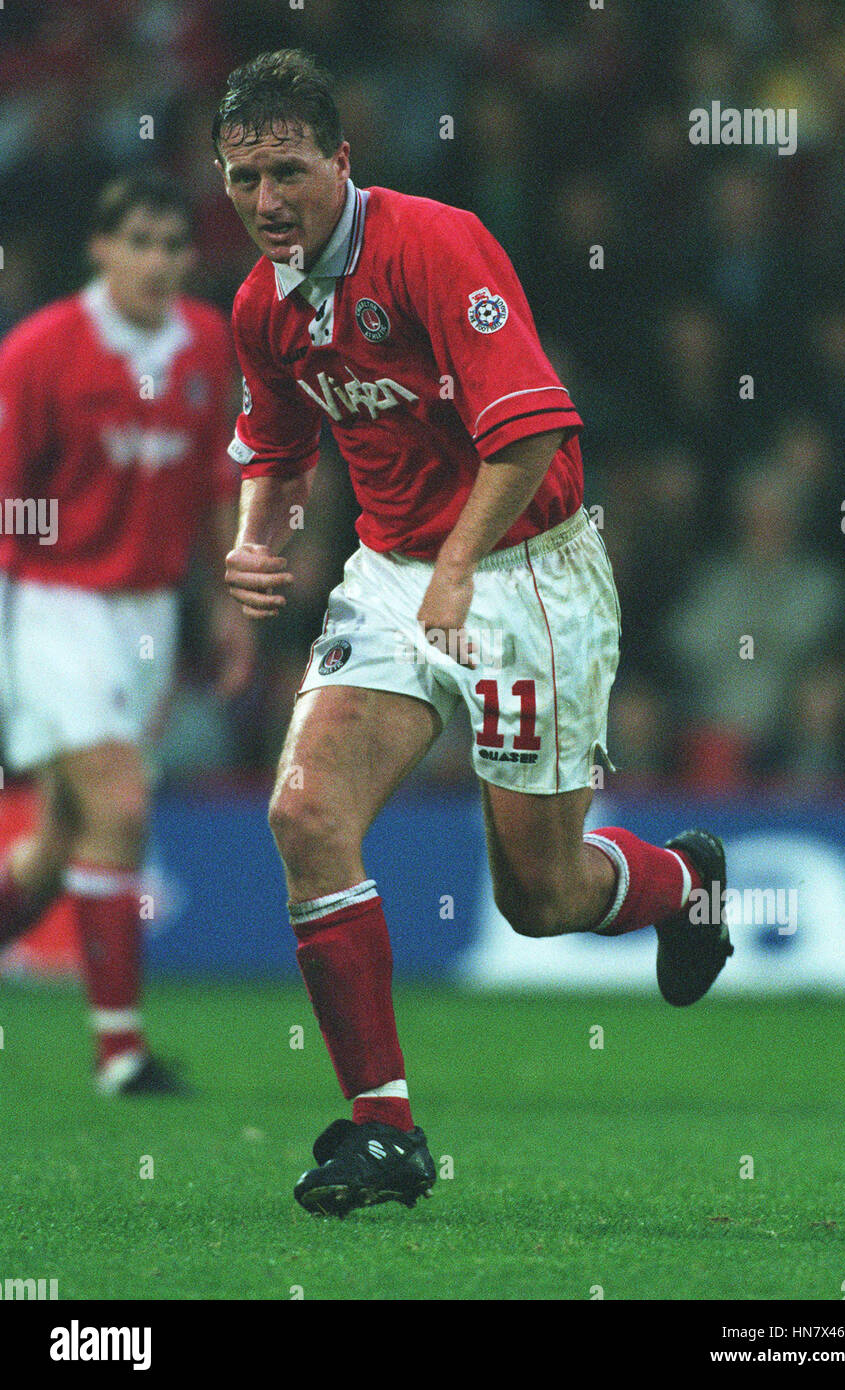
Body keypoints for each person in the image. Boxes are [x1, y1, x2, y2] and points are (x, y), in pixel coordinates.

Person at [217, 50, 732, 1216]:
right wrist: (257, 538)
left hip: (524, 579)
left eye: (289, 170)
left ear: (342, 163)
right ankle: (383, 1131)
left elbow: (535, 432)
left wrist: (458, 573)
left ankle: (683, 880)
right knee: (304, 811)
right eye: (244, 176)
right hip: (392, 579)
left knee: (537, 899)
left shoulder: (437, 246)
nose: (266, 201)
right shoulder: (264, 304)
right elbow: (277, 445)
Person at [0, 172, 254, 1094]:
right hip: (54, 603)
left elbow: (217, 480)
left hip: (148, 613)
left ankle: (119, 1045)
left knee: (57, 844)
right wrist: (54, 540)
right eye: (137, 241)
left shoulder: (205, 343)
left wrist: (223, 601)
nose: (155, 260)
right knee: (120, 806)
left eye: (171, 244)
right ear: (99, 249)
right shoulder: (40, 352)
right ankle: (122, 1055)